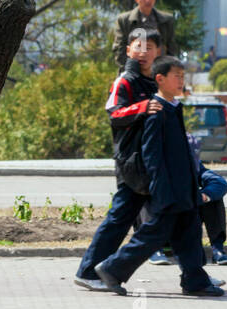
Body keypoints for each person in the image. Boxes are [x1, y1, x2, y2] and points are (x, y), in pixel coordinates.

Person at [95, 55, 220, 297]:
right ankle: (112, 269)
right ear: (160, 79)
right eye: (177, 76)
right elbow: (152, 155)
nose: (181, 81)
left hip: (184, 188)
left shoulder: (173, 106)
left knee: (190, 233)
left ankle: (195, 280)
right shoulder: (156, 110)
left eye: (183, 77)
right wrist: (160, 189)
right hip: (169, 189)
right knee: (154, 235)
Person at [76, 31, 163, 292]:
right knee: (119, 219)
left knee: (178, 215)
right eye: (139, 47)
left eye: (150, 48)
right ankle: (89, 271)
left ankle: (195, 274)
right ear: (128, 50)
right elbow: (114, 113)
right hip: (132, 163)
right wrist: (142, 107)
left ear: (158, 52)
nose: (144, 52)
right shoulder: (124, 82)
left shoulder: (155, 82)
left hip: (154, 162)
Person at [112, 0, 177, 70]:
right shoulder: (124, 20)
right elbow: (119, 49)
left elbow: (171, 48)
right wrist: (131, 70)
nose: (148, 1)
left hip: (158, 72)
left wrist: (165, 70)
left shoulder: (166, 20)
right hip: (132, 72)